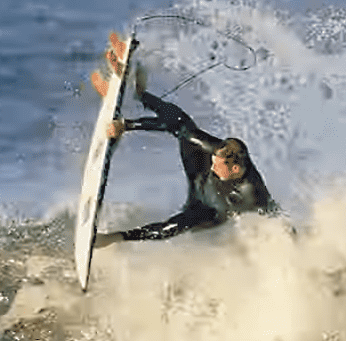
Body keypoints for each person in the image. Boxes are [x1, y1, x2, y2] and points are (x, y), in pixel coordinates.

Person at [89, 60, 279, 248]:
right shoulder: (218, 151)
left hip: (206, 209)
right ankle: (138, 94)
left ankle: (111, 238)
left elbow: (276, 216)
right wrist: (128, 125)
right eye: (214, 157)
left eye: (218, 163)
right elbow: (181, 129)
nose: (213, 163)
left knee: (173, 226)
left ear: (235, 168)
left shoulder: (253, 194)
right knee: (182, 124)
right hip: (199, 176)